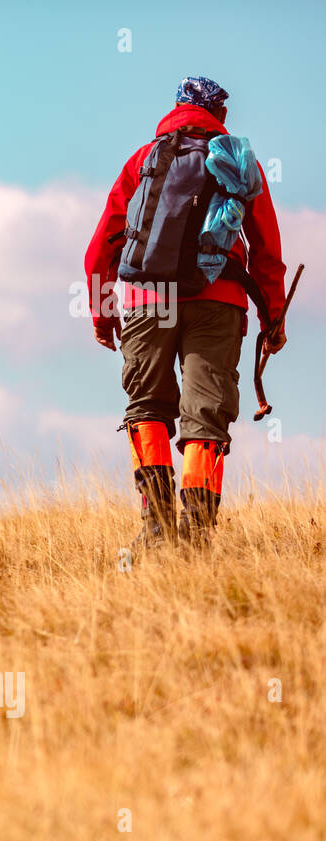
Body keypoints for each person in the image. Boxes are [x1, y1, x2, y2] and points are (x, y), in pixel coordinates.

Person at [85, 77, 286, 549]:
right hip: (218, 303)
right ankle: (195, 534)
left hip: (145, 304)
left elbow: (99, 249)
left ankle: (155, 525)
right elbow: (267, 250)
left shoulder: (144, 160)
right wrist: (272, 318)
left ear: (176, 108)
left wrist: (103, 314)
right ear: (219, 114)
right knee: (206, 419)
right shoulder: (241, 162)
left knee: (147, 409)